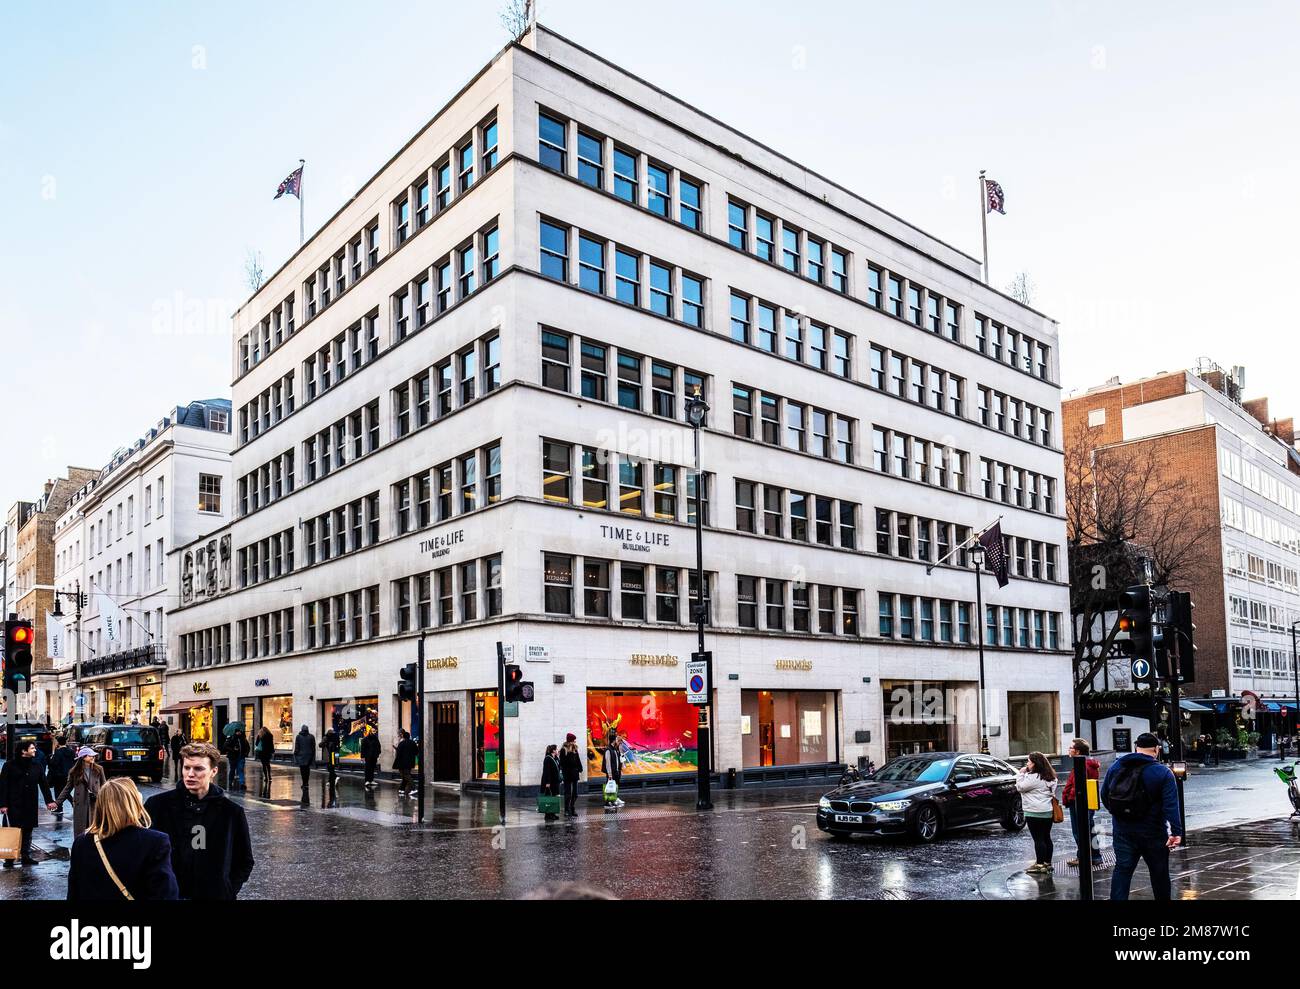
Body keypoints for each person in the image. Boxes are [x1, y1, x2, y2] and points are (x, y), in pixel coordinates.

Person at [143, 742, 255, 900]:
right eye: (186, 767)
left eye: (198, 768)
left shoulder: (231, 812)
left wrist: (227, 890)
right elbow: (144, 855)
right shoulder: (157, 805)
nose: (190, 774)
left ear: (213, 771)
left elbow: (244, 860)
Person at [1102, 731, 1184, 901]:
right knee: (1159, 873)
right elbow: (1171, 806)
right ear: (1157, 749)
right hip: (1153, 831)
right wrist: (1176, 832)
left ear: (1135, 747)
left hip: (1122, 830)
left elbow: (1104, 794)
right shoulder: (1163, 772)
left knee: (1122, 871)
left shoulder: (1116, 767)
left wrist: (1118, 814)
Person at [67, 778, 179, 901]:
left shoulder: (82, 843)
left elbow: (74, 893)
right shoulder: (155, 842)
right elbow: (165, 894)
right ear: (134, 803)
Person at [0, 740, 57, 867]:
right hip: (13, 804)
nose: (35, 750)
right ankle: (9, 858)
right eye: (32, 748)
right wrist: (3, 804)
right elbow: (3, 785)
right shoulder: (9, 765)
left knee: (28, 830)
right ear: (23, 751)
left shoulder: (37, 766)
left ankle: (25, 856)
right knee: (13, 830)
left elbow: (44, 784)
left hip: (30, 803)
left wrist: (49, 801)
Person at [1062, 738, 1103, 868]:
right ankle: (1095, 856)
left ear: (1078, 751)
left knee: (1079, 831)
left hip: (1079, 802)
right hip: (1087, 801)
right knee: (1090, 830)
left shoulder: (1082, 764)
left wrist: (1069, 797)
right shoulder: (1089, 763)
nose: (1069, 749)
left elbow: (1078, 785)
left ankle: (1083, 857)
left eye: (1071, 747)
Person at [1015, 751, 1058, 874]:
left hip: (1034, 812)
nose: (1027, 764)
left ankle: (1039, 864)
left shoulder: (1034, 777)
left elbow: (1020, 787)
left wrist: (1021, 774)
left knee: (1038, 839)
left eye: (1028, 761)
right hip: (1047, 811)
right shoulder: (1051, 776)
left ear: (1035, 763)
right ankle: (1047, 863)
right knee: (1046, 837)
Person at [56, 747, 106, 841]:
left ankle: (95, 848)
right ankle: (80, 848)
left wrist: (106, 801)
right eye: (90, 755)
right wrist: (57, 802)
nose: (93, 757)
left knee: (94, 828)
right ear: (83, 757)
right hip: (80, 803)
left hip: (95, 803)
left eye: (93, 755)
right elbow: (67, 788)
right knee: (81, 830)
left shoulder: (99, 769)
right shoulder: (74, 772)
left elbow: (104, 786)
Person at [47, 735, 77, 823]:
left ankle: (59, 808)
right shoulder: (71, 751)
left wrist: (50, 758)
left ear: (58, 743)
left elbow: (54, 763)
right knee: (66, 790)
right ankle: (72, 803)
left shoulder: (58, 752)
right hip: (68, 774)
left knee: (58, 791)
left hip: (59, 775)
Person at [559, 732, 583, 817]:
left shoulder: (575, 749)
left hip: (575, 773)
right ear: (570, 741)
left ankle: (572, 808)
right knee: (567, 793)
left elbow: (578, 759)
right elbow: (561, 763)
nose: (575, 742)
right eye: (573, 740)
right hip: (567, 774)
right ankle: (566, 809)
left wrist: (580, 768)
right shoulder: (563, 750)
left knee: (575, 793)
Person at [602, 730, 625, 809]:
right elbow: (608, 763)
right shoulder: (608, 750)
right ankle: (607, 803)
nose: (617, 740)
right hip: (611, 772)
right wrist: (610, 774)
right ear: (613, 740)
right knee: (609, 787)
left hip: (615, 771)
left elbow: (618, 760)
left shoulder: (614, 749)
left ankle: (612, 801)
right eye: (616, 739)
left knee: (613, 787)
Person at [224, 726, 250, 792]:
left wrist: (246, 754)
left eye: (240, 731)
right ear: (235, 732)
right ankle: (230, 782)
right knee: (232, 770)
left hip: (241, 757)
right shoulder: (231, 738)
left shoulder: (243, 739)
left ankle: (242, 783)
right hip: (233, 757)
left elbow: (248, 747)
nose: (239, 733)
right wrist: (233, 749)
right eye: (238, 731)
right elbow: (225, 746)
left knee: (240, 770)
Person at [540, 744, 562, 822]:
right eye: (556, 749)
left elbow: (559, 767)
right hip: (550, 782)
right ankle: (548, 814)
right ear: (553, 750)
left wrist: (558, 757)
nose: (557, 750)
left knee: (554, 798)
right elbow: (547, 771)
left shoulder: (555, 758)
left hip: (555, 782)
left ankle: (552, 813)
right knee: (549, 798)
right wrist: (548, 782)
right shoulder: (548, 759)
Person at [393, 729, 418, 797]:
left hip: (402, 763)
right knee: (405, 775)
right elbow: (416, 752)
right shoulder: (413, 743)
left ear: (403, 736)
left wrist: (396, 763)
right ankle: (402, 789)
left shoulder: (402, 743)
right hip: (410, 762)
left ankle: (414, 788)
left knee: (406, 775)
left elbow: (399, 754)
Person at [293, 725, 315, 791]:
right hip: (309, 755)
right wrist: (313, 755)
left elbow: (297, 746)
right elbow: (313, 747)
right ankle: (306, 783)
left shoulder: (298, 737)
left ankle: (304, 783)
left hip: (301, 755)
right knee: (307, 770)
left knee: (302, 770)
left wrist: (295, 754)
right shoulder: (311, 736)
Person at [254, 727, 275, 798]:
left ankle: (266, 777)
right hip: (268, 752)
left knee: (264, 765)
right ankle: (269, 776)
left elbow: (256, 744)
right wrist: (272, 751)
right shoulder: (270, 735)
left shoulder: (260, 735)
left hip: (262, 752)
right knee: (268, 764)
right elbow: (271, 744)